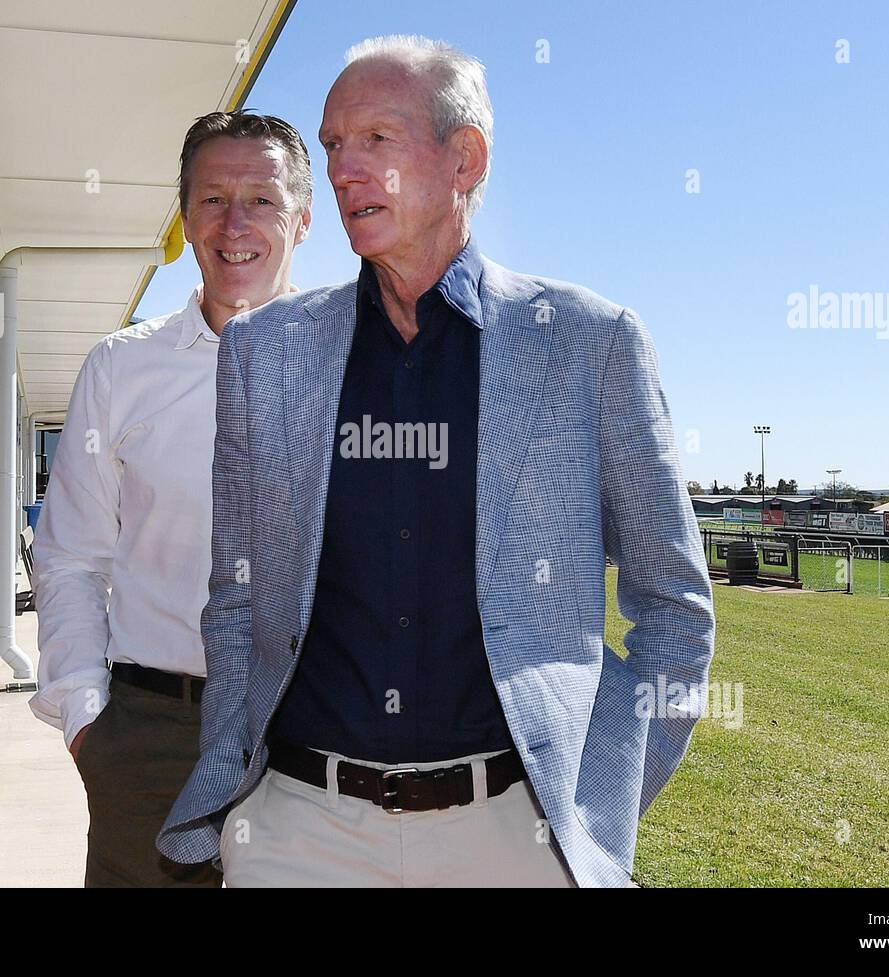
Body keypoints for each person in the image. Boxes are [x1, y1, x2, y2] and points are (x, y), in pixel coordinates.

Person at [158, 35, 715, 887]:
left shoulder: (589, 343)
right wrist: (244, 803)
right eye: (334, 144)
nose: (343, 169)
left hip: (514, 839)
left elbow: (673, 605)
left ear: (466, 157)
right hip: (298, 830)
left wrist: (591, 806)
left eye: (375, 138)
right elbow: (237, 596)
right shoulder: (263, 352)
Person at [29, 110, 311, 886]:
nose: (235, 223)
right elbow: (70, 557)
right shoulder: (122, 368)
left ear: (304, 218)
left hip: (308, 739)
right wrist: (89, 721)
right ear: (185, 218)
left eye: (262, 199)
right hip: (151, 739)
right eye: (213, 199)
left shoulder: (352, 362)